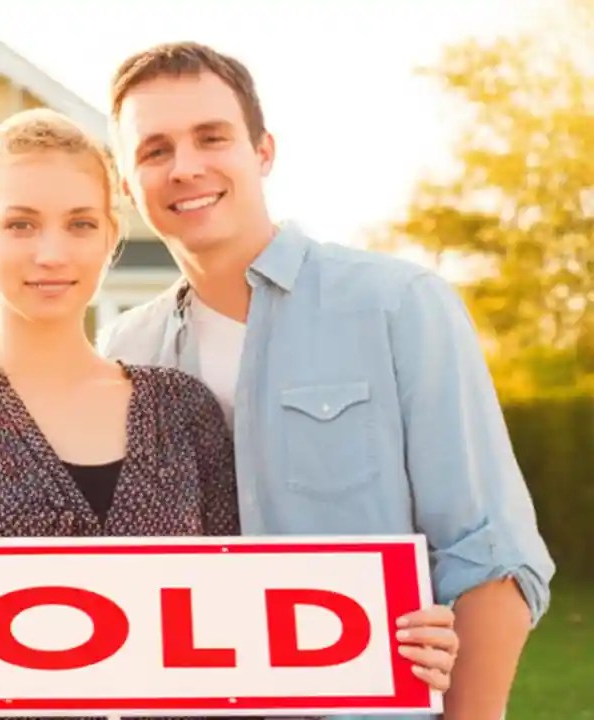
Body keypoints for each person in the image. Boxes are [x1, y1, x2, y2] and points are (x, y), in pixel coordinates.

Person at [0, 107, 458, 720]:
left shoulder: (180, 410)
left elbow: (246, 623)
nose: (51, 253)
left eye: (79, 223)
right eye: (20, 224)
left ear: (110, 236)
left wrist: (395, 648)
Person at [96, 41, 555, 720]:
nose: (185, 167)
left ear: (263, 152)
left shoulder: (398, 305)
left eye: (211, 138)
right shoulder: (121, 352)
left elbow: (492, 560)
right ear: (129, 184)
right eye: (154, 150)